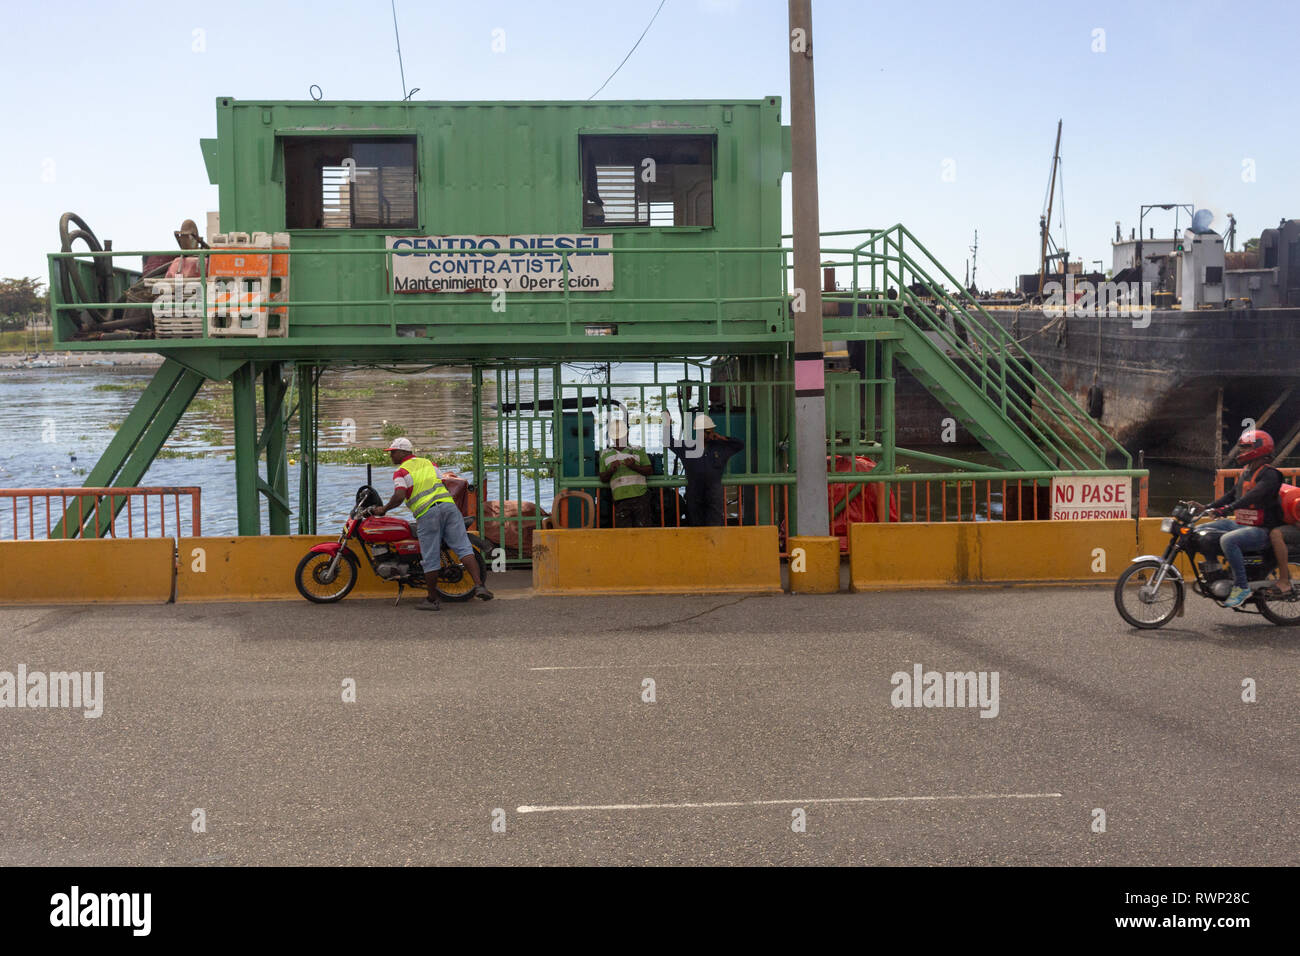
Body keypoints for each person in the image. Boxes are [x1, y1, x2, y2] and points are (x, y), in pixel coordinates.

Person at [372, 437, 493, 610]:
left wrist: (384, 509)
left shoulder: (401, 472)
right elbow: (442, 483)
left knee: (430, 557)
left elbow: (399, 495)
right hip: (449, 508)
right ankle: (480, 585)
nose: (391, 456)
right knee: (464, 548)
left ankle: (431, 600)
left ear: (403, 452)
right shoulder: (429, 463)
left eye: (392, 452)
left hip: (428, 513)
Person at [1190, 429, 1285, 608]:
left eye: (1245, 448)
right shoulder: (1246, 472)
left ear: (1259, 449)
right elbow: (1231, 495)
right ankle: (1215, 573)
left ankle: (1241, 587)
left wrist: (1227, 509)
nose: (1241, 452)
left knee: (1228, 540)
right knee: (1201, 533)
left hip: (1262, 530)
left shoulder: (1270, 475)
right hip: (1242, 524)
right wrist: (1208, 507)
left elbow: (1252, 497)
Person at [666, 413, 744, 527]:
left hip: (714, 495)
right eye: (708, 432)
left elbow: (739, 445)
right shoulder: (687, 447)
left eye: (712, 431)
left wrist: (724, 438)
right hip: (695, 494)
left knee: (715, 525)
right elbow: (668, 441)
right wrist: (667, 423)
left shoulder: (720, 446)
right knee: (696, 525)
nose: (711, 434)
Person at [598, 419, 653, 527]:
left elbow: (649, 470)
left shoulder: (638, 450)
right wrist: (611, 470)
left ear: (627, 434)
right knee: (624, 533)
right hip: (620, 500)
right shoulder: (605, 454)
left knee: (644, 532)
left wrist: (633, 466)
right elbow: (603, 477)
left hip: (640, 497)